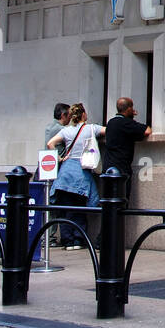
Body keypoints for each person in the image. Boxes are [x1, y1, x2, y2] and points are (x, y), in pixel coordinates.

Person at [47, 103, 104, 249]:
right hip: (81, 174)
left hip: (65, 174)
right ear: (83, 114)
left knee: (65, 210)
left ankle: (67, 241)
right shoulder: (91, 128)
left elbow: (50, 143)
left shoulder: (67, 131)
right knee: (79, 209)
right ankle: (78, 239)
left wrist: (60, 158)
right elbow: (108, 131)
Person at [102, 97, 151, 202]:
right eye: (132, 107)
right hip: (121, 168)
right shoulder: (126, 123)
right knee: (121, 201)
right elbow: (147, 131)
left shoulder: (111, 123)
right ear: (129, 109)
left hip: (107, 167)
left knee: (109, 202)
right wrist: (133, 118)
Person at [45, 103, 72, 245]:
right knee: (53, 205)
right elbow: (51, 145)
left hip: (44, 170)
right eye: (69, 115)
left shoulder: (49, 126)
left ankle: (47, 236)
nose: (71, 119)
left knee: (48, 204)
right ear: (63, 115)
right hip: (55, 170)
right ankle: (49, 237)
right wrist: (60, 158)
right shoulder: (61, 130)